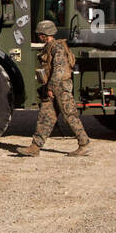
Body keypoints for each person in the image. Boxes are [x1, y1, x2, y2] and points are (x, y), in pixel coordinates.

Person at [16, 20, 90, 157]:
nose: (38, 36)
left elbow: (59, 71)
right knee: (45, 116)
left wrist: (51, 87)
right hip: (53, 87)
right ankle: (35, 147)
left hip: (60, 87)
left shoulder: (58, 47)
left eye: (40, 34)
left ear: (45, 34)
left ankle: (84, 144)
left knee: (70, 116)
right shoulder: (49, 47)